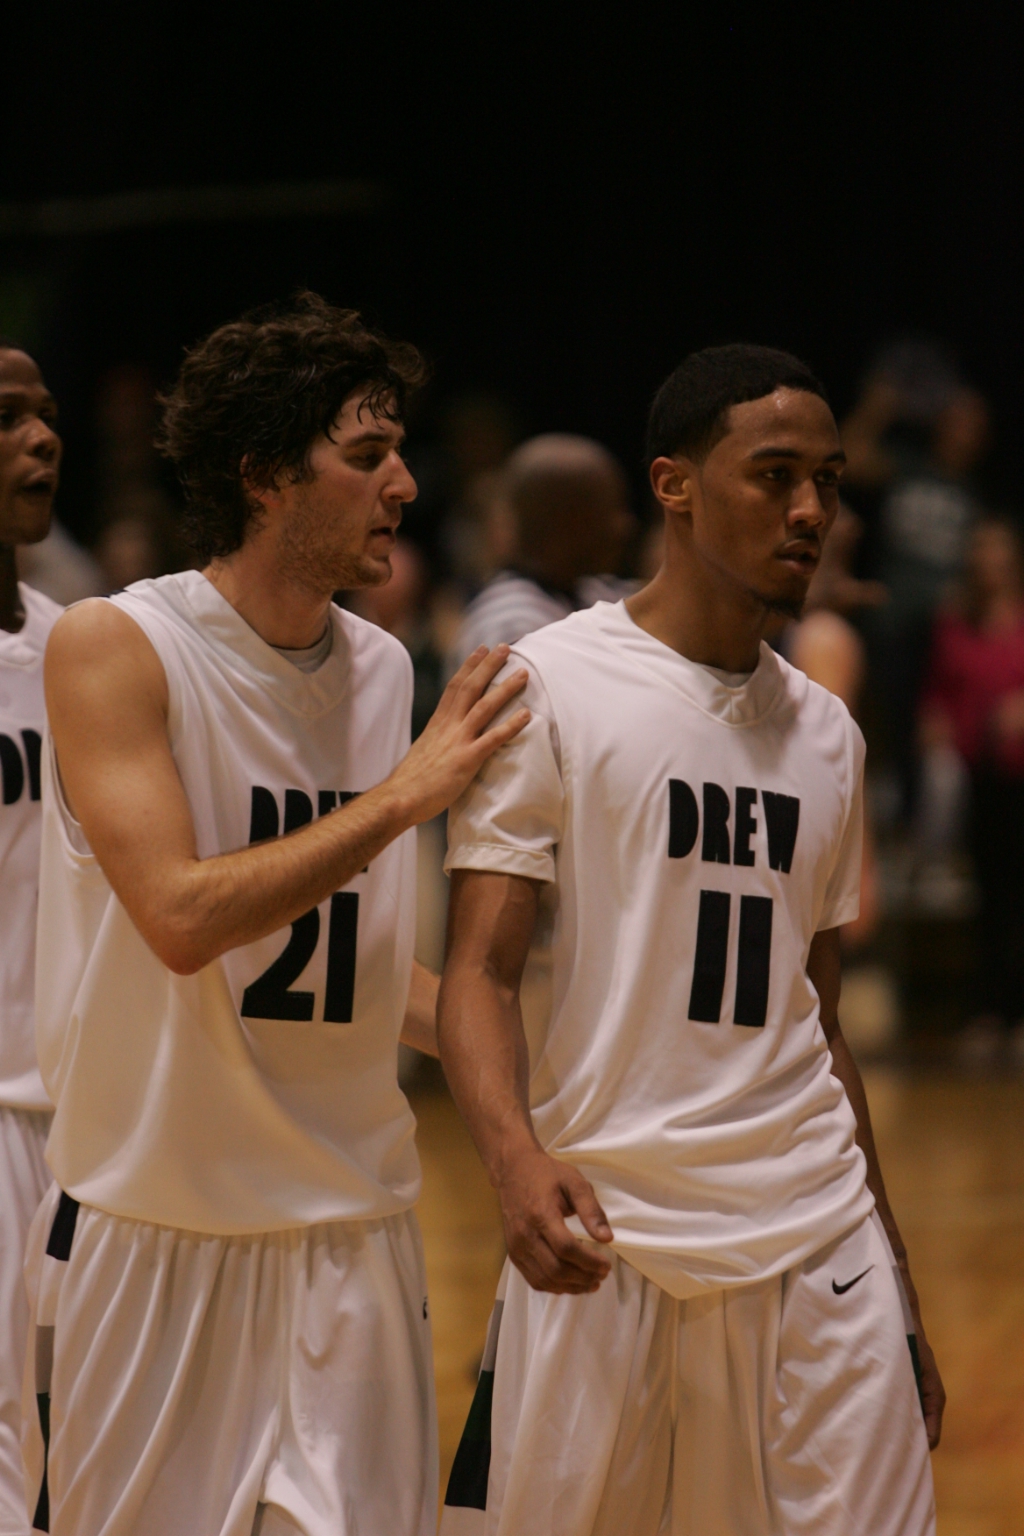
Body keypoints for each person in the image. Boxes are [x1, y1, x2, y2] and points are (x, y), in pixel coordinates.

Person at [24, 293, 528, 1536]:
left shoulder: (380, 665)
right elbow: (183, 917)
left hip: (352, 1234)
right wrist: (407, 795)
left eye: (399, 452)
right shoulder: (115, 645)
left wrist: (526, 1069)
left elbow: (357, 965)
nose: (404, 484)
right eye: (365, 458)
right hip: (158, 1239)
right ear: (263, 477)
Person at [438, 345, 943, 1535]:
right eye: (773, 475)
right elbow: (477, 973)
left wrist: (901, 1281)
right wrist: (513, 1164)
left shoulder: (827, 732)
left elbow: (818, 1023)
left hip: (818, 1228)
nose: (811, 509)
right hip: (613, 1225)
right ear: (671, 484)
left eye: (826, 479)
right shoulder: (547, 683)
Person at [0, 339, 62, 1536]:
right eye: (8, 419)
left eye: (46, 414)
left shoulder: (81, 646)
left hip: (90, 1115)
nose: (41, 438)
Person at [921, 516, 1024, 1065]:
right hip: (978, 778)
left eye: (997, 551)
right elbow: (940, 690)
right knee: (989, 902)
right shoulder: (954, 623)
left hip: (1020, 776)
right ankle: (987, 1013)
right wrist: (936, 721)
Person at [445, 433, 636, 675]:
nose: (623, 526)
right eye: (607, 509)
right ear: (565, 521)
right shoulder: (510, 623)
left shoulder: (590, 590)